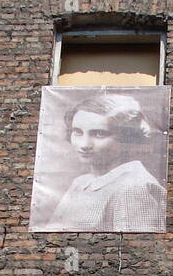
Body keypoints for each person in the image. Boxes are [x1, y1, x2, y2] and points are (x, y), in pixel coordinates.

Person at [42, 93, 166, 232]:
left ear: (127, 138)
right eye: (77, 132)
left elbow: (137, 247)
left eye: (99, 134)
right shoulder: (81, 183)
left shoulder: (134, 188)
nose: (84, 144)